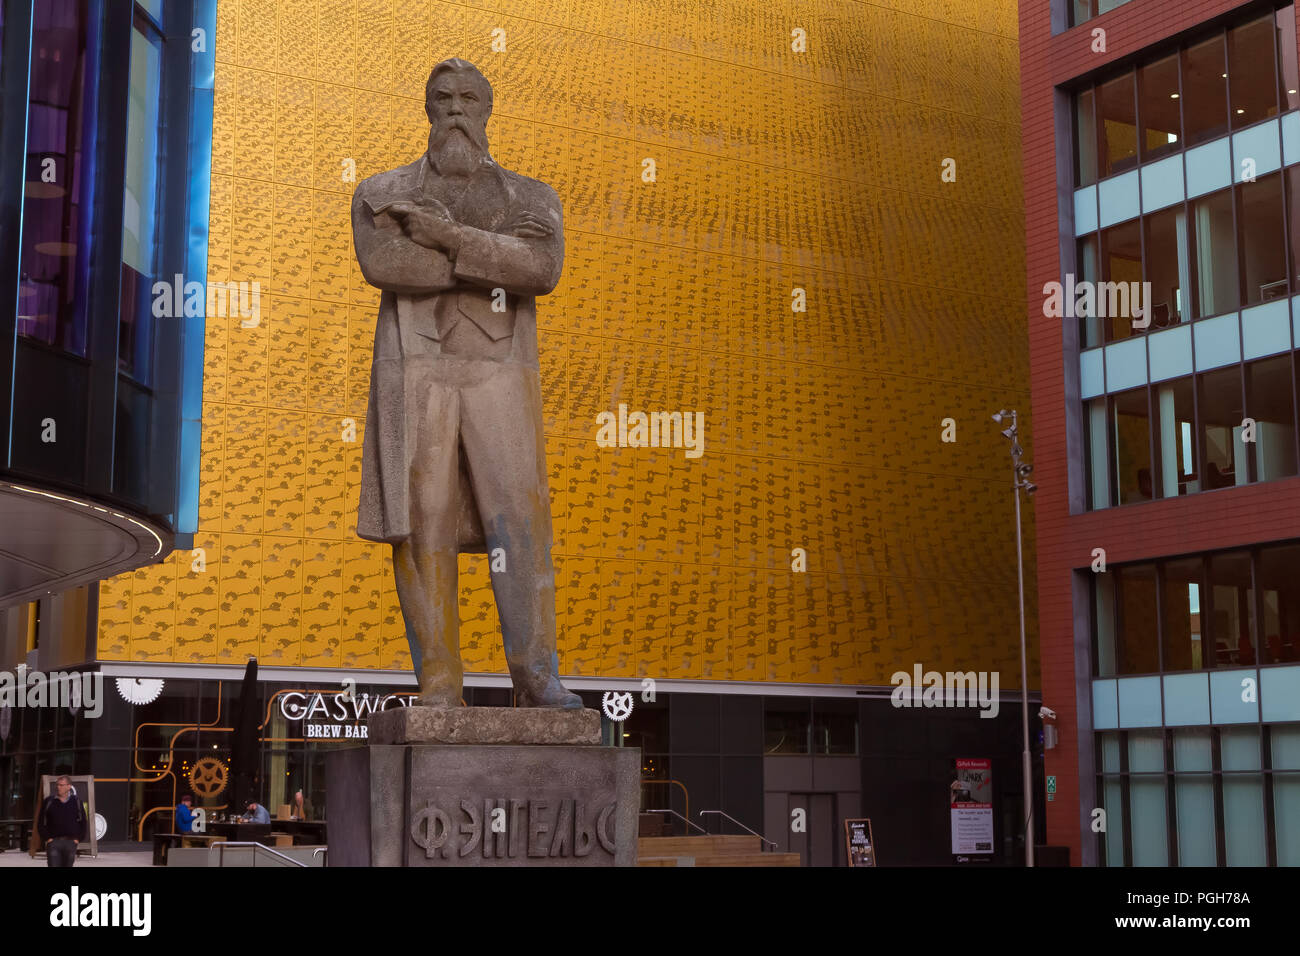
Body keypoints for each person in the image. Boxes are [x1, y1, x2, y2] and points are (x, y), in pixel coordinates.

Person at [351, 57, 579, 710]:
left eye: (468, 97)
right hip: (418, 375)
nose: (455, 107)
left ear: (486, 108)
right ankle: (441, 684)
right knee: (424, 527)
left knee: (521, 524)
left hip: (500, 377)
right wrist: (484, 256)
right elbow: (389, 265)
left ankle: (537, 677)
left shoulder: (534, 197)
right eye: (442, 96)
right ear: (427, 108)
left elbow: (539, 267)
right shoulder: (379, 190)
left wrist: (443, 235)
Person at [38, 775, 85, 867]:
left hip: (71, 842)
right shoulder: (49, 802)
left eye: (61, 785)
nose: (58, 787)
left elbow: (83, 822)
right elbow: (40, 822)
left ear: (69, 786)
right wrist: (47, 838)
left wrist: (78, 839)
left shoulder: (77, 802)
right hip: (54, 842)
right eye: (57, 785)